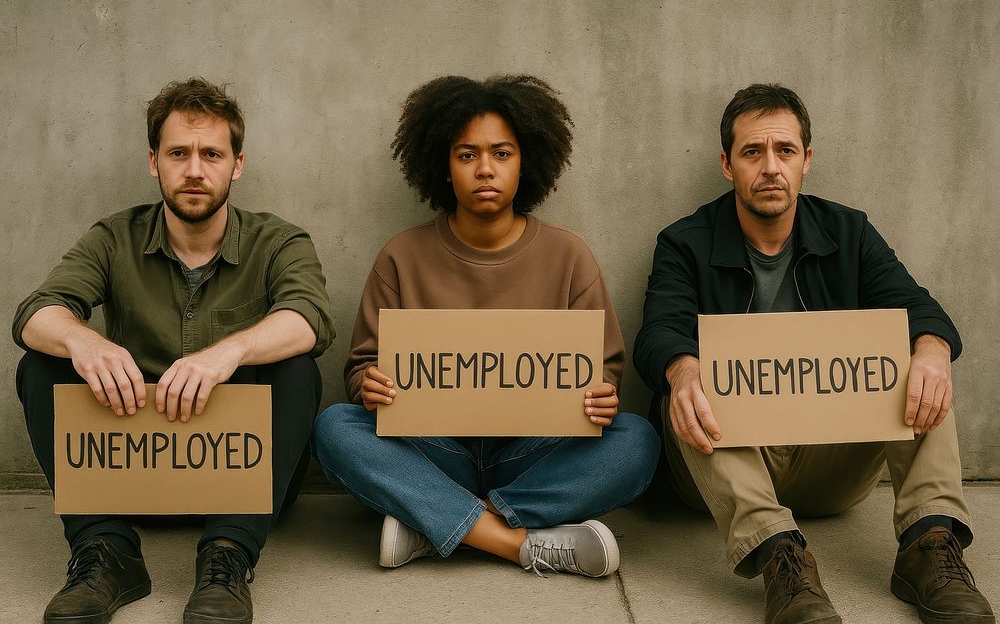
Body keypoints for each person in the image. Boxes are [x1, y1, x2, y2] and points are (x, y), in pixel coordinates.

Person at [633, 83, 995, 624]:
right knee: (688, 378)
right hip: (732, 459)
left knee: (919, 358)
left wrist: (933, 348)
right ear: (727, 165)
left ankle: (929, 547)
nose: (771, 167)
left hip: (833, 463)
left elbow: (917, 305)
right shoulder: (685, 241)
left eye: (786, 151)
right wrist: (682, 370)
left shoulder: (848, 232)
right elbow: (660, 330)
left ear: (807, 160)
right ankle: (782, 559)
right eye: (753, 152)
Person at [13, 78, 335, 624]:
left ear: (237, 165)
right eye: (178, 153)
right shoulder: (114, 237)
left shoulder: (278, 241)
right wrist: (82, 339)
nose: (193, 170)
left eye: (212, 154)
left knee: (297, 368)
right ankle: (106, 551)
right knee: (40, 362)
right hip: (131, 469)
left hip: (237, 476)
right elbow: (36, 311)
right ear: (153, 161)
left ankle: (228, 556)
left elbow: (310, 317)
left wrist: (228, 353)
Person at [313, 75, 659, 579]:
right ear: (445, 168)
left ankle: (437, 525)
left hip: (533, 454)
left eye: (501, 152)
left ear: (526, 163)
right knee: (335, 427)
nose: (485, 169)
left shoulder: (569, 256)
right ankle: (518, 543)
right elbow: (362, 366)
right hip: (435, 451)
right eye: (467, 155)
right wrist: (369, 385)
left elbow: (603, 375)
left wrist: (601, 397)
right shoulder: (401, 256)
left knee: (638, 439)